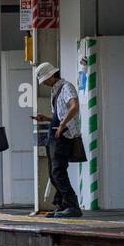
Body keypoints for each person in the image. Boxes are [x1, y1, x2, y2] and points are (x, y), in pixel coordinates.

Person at [32, 62, 82, 217]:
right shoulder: (55, 89)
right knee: (53, 173)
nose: (44, 83)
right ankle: (62, 205)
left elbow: (74, 106)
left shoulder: (66, 87)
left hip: (63, 135)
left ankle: (72, 205)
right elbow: (59, 114)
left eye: (45, 79)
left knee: (58, 171)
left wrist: (62, 125)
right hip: (54, 135)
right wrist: (46, 118)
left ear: (53, 75)